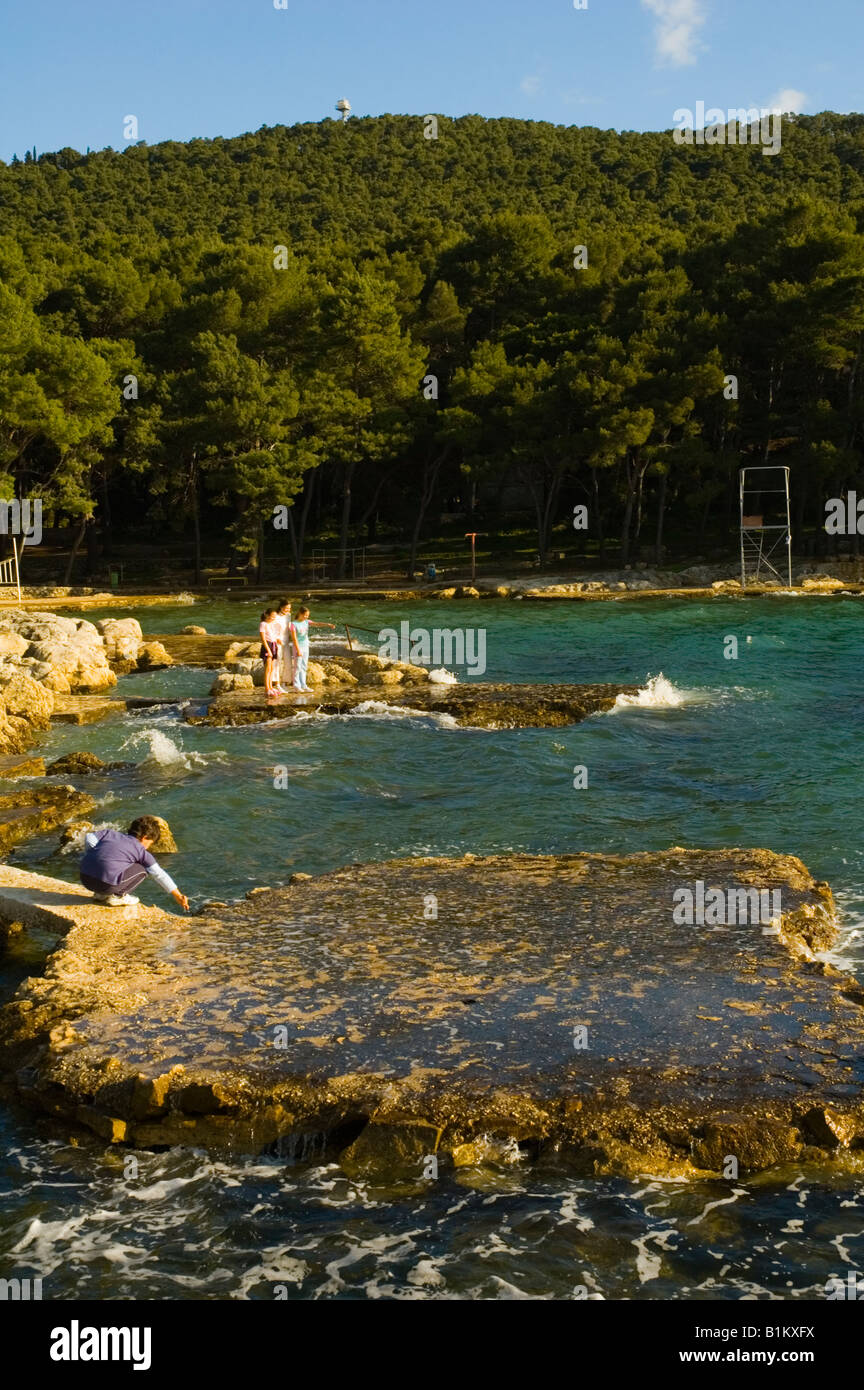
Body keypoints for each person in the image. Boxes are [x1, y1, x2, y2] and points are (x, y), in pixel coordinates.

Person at [79, 816, 190, 911]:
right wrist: (178, 895)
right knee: (142, 869)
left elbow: (89, 837)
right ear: (144, 838)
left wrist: (95, 851)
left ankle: (101, 895)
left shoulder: (110, 833)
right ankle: (118, 897)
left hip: (85, 878)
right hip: (106, 885)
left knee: (112, 867)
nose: (148, 847)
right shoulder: (140, 851)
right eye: (149, 844)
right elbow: (159, 874)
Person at [290, 605, 335, 692]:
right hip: (298, 647)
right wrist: (298, 650)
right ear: (300, 613)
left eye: (307, 615)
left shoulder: (306, 622)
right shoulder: (293, 624)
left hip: (305, 645)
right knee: (297, 666)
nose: (306, 617)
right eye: (305, 615)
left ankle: (304, 685)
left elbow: (317, 624)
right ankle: (296, 685)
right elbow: (294, 638)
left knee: (304, 665)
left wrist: (328, 624)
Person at [259, 605, 281, 697]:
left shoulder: (271, 624)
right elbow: (263, 639)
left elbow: (272, 635)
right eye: (272, 616)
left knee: (271, 668)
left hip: (273, 644)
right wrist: (269, 650)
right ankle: (267, 689)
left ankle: (271, 687)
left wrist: (277, 640)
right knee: (267, 669)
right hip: (267, 646)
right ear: (267, 615)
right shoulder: (263, 624)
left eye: (275, 617)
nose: (273, 618)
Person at [274, 598, 293, 693]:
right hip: (277, 641)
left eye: (289, 608)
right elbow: (271, 628)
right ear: (281, 607)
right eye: (286, 608)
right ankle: (277, 684)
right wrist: (276, 638)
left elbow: (289, 627)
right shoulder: (276, 616)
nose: (288, 610)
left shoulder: (289, 615)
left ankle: (284, 682)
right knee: (277, 662)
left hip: (286, 640)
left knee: (288, 661)